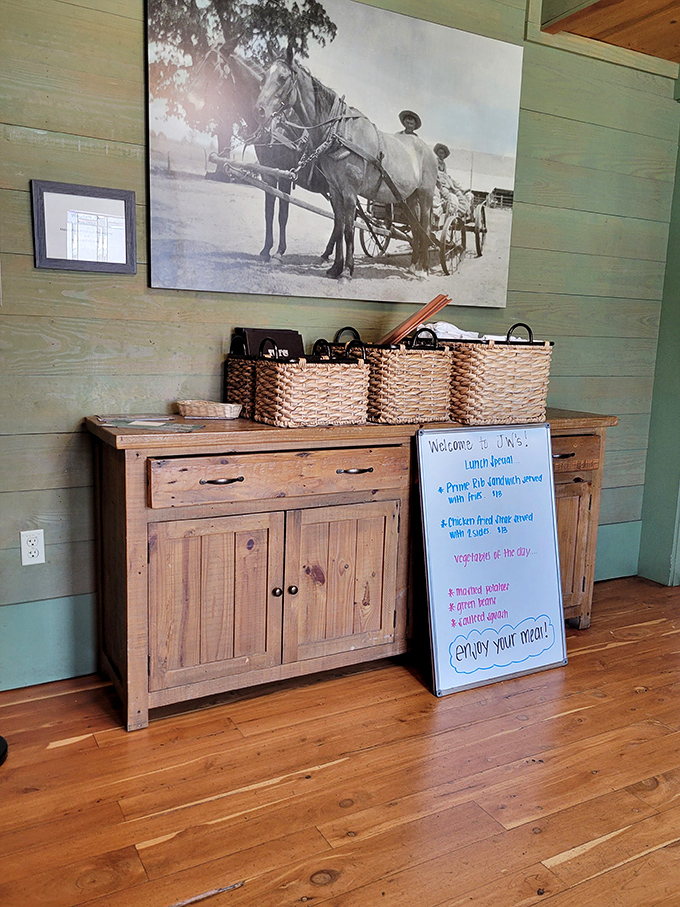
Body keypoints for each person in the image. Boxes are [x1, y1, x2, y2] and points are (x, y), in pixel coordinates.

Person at [433, 142, 471, 220]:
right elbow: (435, 173)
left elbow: (445, 174)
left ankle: (461, 208)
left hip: (445, 180)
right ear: (437, 154)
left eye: (442, 153)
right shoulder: (435, 162)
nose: (441, 155)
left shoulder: (444, 164)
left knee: (454, 186)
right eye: (440, 153)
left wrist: (447, 179)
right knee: (446, 193)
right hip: (439, 182)